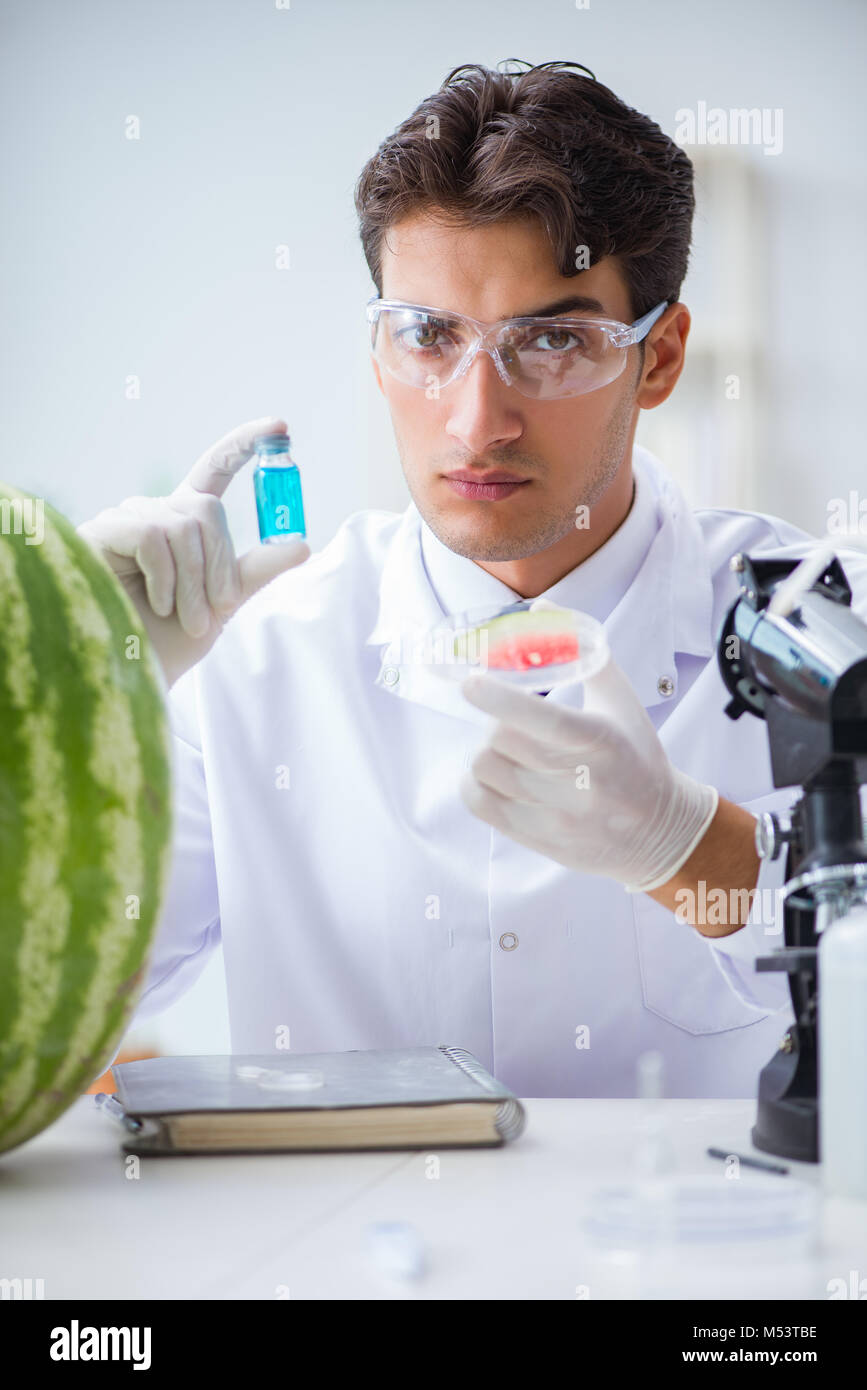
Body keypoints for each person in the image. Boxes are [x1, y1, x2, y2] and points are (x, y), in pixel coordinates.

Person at [79, 60, 866, 1098]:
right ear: (379, 347)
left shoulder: (818, 619)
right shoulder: (253, 657)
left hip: (703, 1261)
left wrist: (692, 848)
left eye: (551, 340)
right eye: (430, 336)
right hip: (344, 1259)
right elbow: (38, 1001)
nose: (476, 419)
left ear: (662, 355)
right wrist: (66, 683)